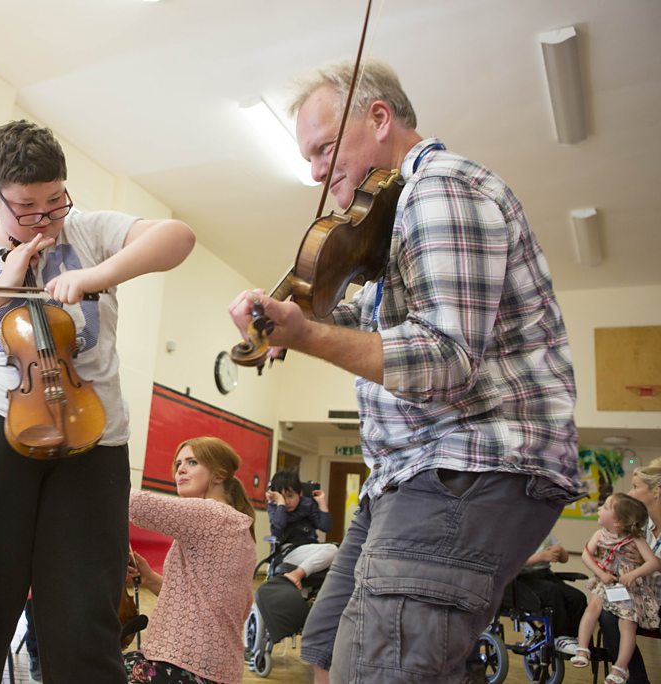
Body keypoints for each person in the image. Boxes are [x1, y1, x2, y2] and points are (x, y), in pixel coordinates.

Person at [228, 59, 584, 684]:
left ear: (380, 117)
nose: (314, 171)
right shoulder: (390, 226)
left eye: (323, 148)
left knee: (381, 670)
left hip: (464, 463)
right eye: (307, 157)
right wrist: (295, 319)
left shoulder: (442, 186)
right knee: (326, 646)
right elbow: (382, 329)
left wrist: (309, 334)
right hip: (405, 474)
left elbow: (444, 358)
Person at [0, 119, 195, 684]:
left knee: (88, 607)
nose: (45, 219)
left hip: (92, 432)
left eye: (55, 201)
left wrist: (95, 275)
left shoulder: (88, 231)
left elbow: (177, 237)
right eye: (26, 208)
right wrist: (1, 285)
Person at [123, 436, 256, 684]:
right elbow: (201, 599)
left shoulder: (211, 513)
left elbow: (137, 505)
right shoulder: (239, 526)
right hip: (215, 669)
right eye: (178, 464)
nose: (180, 470)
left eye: (192, 462)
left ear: (219, 475)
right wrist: (150, 578)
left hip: (184, 665)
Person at [570, 493, 661, 683]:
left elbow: (654, 563)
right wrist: (601, 574)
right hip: (609, 583)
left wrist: (634, 574)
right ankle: (582, 648)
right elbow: (587, 556)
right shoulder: (599, 535)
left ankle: (620, 667)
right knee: (592, 608)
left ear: (618, 521)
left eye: (605, 507)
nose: (598, 509)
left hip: (631, 591)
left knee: (627, 624)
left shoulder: (636, 539)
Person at [599, 464, 661, 684]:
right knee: (608, 613)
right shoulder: (641, 527)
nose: (631, 494)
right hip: (643, 598)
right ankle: (632, 678)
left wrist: (652, 564)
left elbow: (651, 563)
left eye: (635, 487)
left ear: (657, 491)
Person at [513, 533, 587, 654]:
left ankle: (573, 636)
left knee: (577, 597)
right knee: (553, 592)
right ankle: (560, 636)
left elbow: (564, 559)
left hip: (546, 575)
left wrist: (560, 551)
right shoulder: (515, 532)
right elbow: (511, 563)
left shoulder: (545, 531)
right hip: (523, 578)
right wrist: (540, 556)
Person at [265, 468, 338, 589]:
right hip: (287, 552)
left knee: (336, 550)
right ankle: (297, 574)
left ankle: (299, 575)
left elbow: (326, 527)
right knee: (332, 550)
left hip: (309, 549)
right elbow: (279, 525)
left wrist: (321, 503)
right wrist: (280, 503)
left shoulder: (307, 504)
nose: (287, 501)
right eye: (282, 497)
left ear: (300, 493)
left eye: (290, 496)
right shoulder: (275, 507)